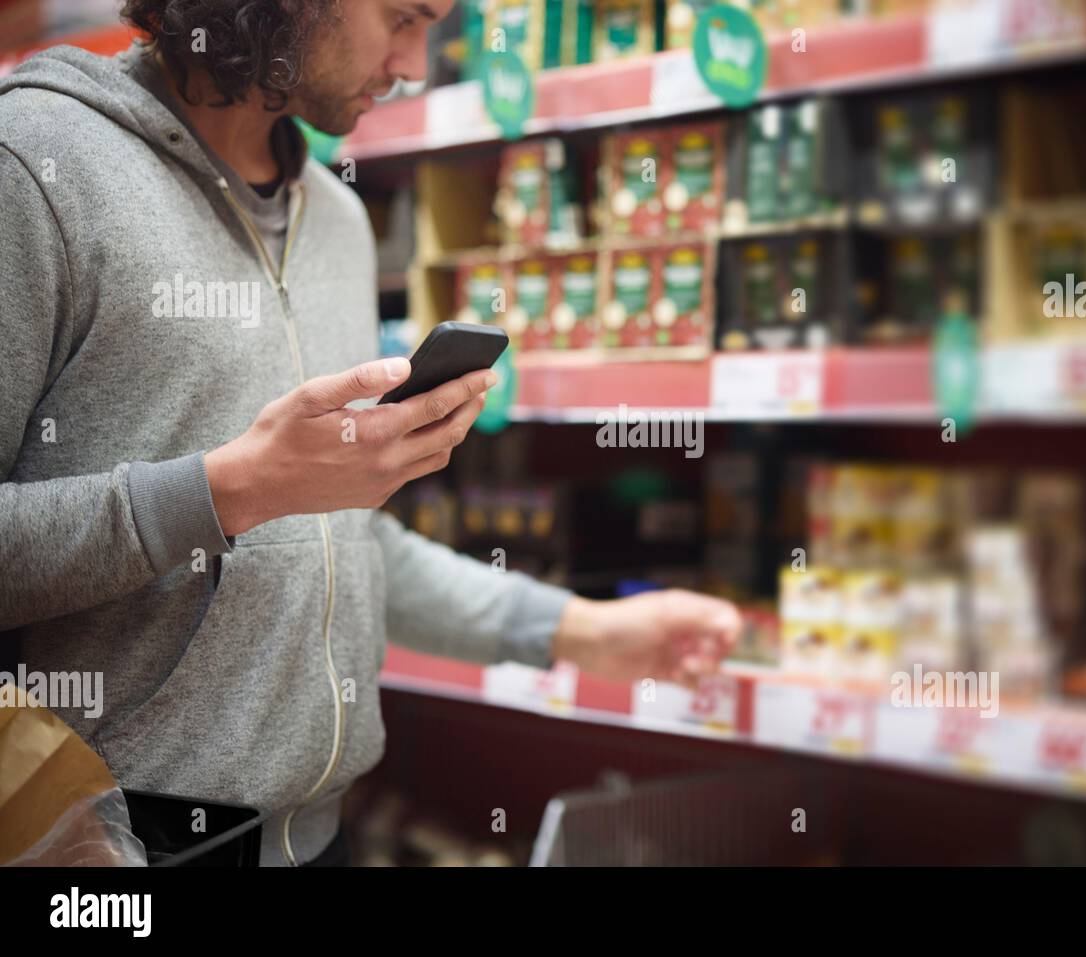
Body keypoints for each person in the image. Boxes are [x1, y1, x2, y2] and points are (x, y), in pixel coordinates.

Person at [0, 0, 741, 866]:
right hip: (101, 846)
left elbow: (338, 543)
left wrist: (580, 629)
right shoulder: (37, 166)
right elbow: (259, 490)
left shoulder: (338, 220)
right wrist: (235, 487)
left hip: (320, 837)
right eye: (404, 17)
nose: (418, 61)